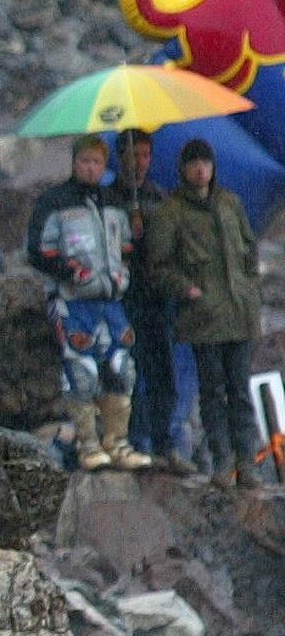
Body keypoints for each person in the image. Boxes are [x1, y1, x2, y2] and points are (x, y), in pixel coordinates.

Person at [145, 137, 267, 487]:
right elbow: (159, 266)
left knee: (240, 391)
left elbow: (249, 251)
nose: (200, 170)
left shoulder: (231, 204)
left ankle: (248, 462)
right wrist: (188, 290)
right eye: (193, 163)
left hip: (238, 313)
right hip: (203, 317)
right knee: (213, 392)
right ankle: (222, 462)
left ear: (213, 168)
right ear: (183, 169)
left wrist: (249, 289)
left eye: (205, 163)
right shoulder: (171, 213)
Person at [24, 134, 147, 472]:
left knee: (122, 369)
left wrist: (136, 236)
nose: (91, 168)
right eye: (85, 162)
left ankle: (117, 443)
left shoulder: (113, 202)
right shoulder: (54, 202)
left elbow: (126, 249)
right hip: (73, 301)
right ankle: (87, 445)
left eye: (97, 162)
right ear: (74, 163)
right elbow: (36, 249)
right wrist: (68, 270)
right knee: (82, 373)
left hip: (111, 299)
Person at [108, 129, 188, 469]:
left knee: (162, 372)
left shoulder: (160, 198)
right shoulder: (108, 199)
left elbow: (174, 248)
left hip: (158, 299)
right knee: (129, 373)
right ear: (120, 158)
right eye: (131, 155)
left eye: (144, 155)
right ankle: (133, 442)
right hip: (124, 299)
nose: (138, 163)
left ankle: (164, 443)